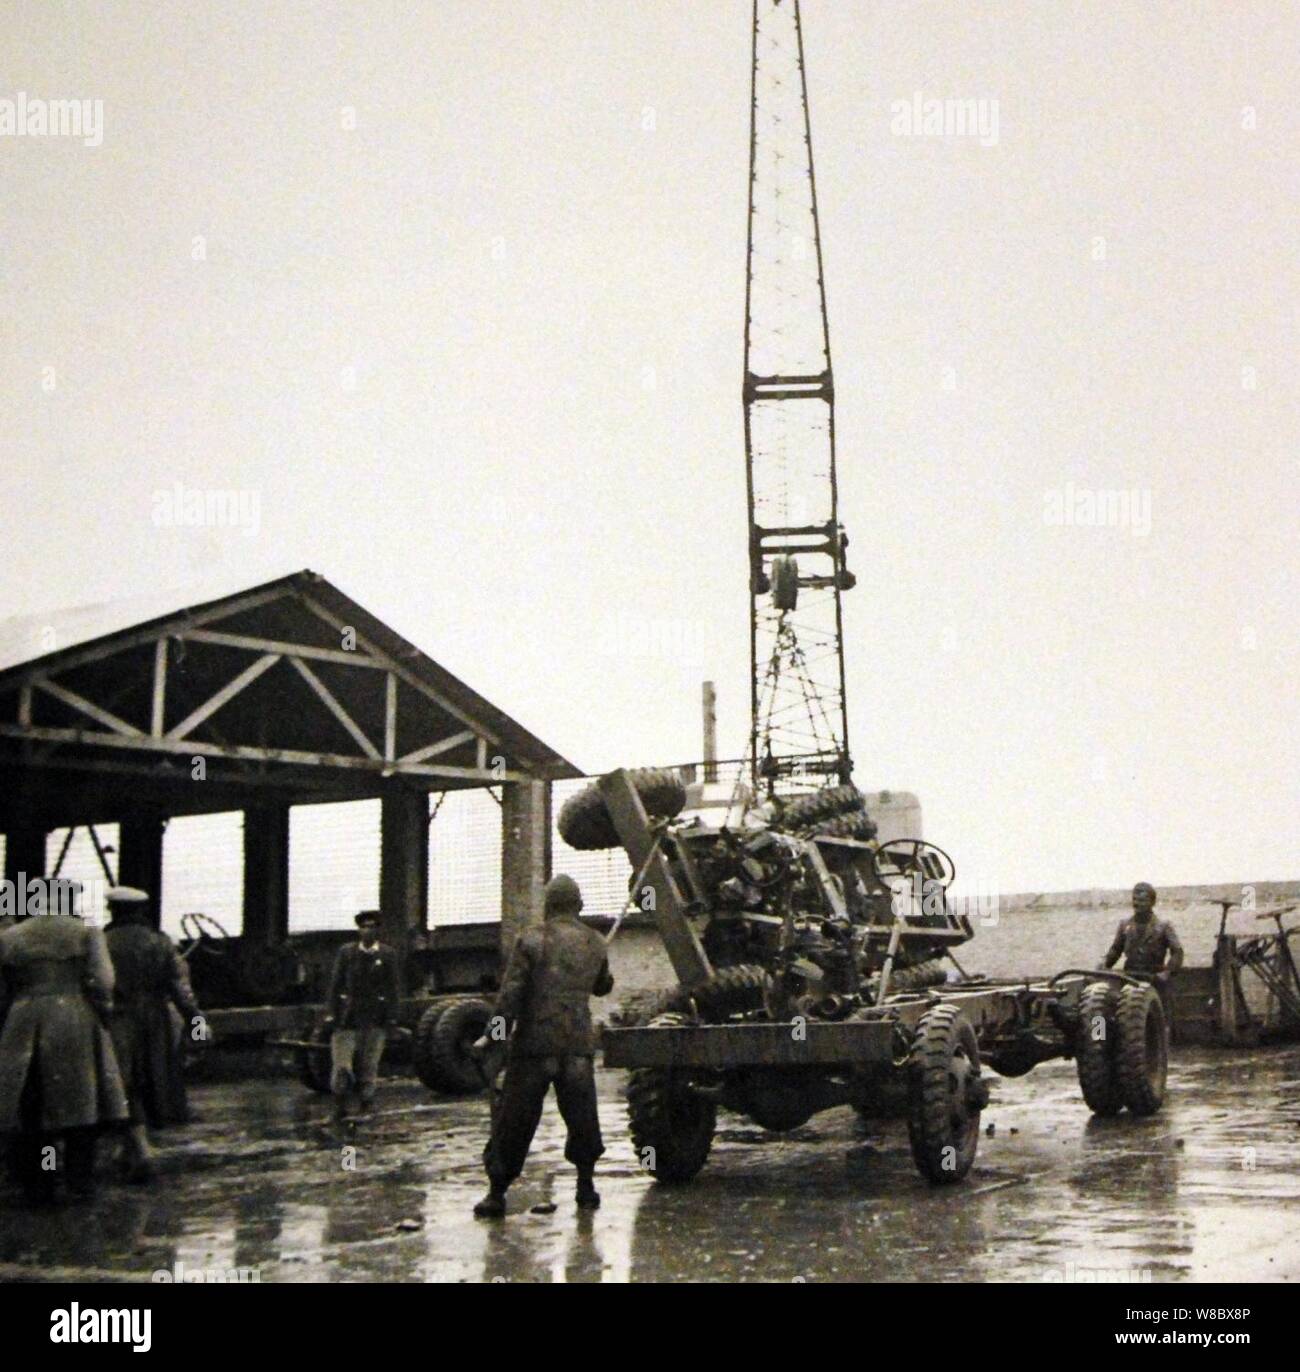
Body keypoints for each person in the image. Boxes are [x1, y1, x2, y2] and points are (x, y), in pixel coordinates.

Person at [474, 873, 614, 1219]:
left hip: (536, 1045)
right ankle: (585, 1187)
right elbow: (602, 987)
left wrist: (493, 1035)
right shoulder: (596, 942)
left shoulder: (532, 939)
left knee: (515, 1120)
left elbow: (511, 998)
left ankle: (496, 1194)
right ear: (578, 906)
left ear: (548, 905)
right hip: (577, 1044)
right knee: (583, 1118)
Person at [0, 878, 129, 1204]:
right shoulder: (86, 933)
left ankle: (41, 1183)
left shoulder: (11, 936)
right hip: (73, 1018)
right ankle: (78, 1182)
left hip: (23, 1017)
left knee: (34, 1106)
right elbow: (103, 980)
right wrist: (102, 1011)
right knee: (78, 1104)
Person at [103, 885, 205, 1181]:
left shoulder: (102, 941)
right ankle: (135, 1145)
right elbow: (180, 989)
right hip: (155, 1020)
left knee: (122, 1083)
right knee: (151, 1078)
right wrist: (197, 1022)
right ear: (140, 912)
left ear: (114, 910)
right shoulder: (160, 942)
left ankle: (137, 1147)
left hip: (116, 1019)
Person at [324, 910, 399, 1121]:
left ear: (378, 930)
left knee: (369, 1064)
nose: (367, 931)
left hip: (375, 1018)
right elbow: (335, 983)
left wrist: (392, 1017)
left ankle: (366, 1104)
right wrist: (331, 1013)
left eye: (372, 927)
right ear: (358, 929)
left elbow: (393, 988)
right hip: (347, 1018)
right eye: (364, 926)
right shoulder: (346, 953)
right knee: (341, 1065)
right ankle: (339, 1106)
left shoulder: (387, 955)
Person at [1100, 882, 1184, 1010]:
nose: (1137, 904)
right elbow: (1116, 950)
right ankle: (1098, 1030)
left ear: (1152, 902)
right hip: (1129, 978)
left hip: (1154, 979)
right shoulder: (1125, 925)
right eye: (1135, 899)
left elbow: (1177, 952)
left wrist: (1167, 973)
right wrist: (1104, 964)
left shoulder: (1163, 926)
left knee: (1162, 1013)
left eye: (1142, 900)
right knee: (1110, 1006)